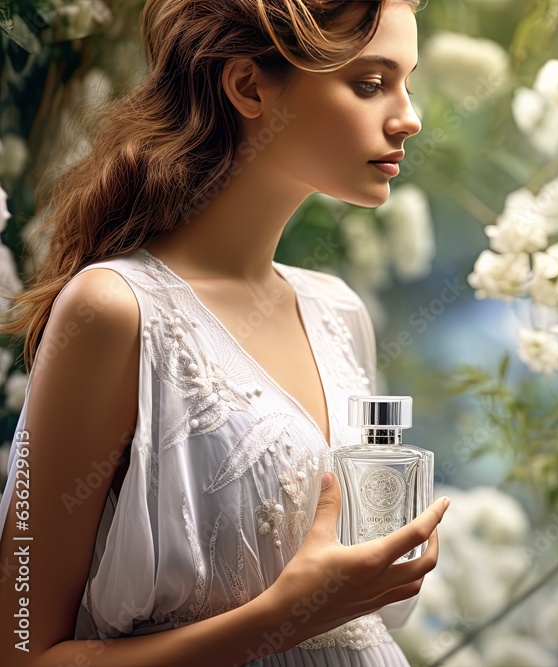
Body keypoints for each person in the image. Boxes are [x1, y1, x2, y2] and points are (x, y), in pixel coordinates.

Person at [0, 1, 448, 665]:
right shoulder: (116, 311)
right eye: (370, 84)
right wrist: (282, 615)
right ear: (248, 85)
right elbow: (21, 652)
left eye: (405, 82)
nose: (408, 116)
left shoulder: (339, 312)